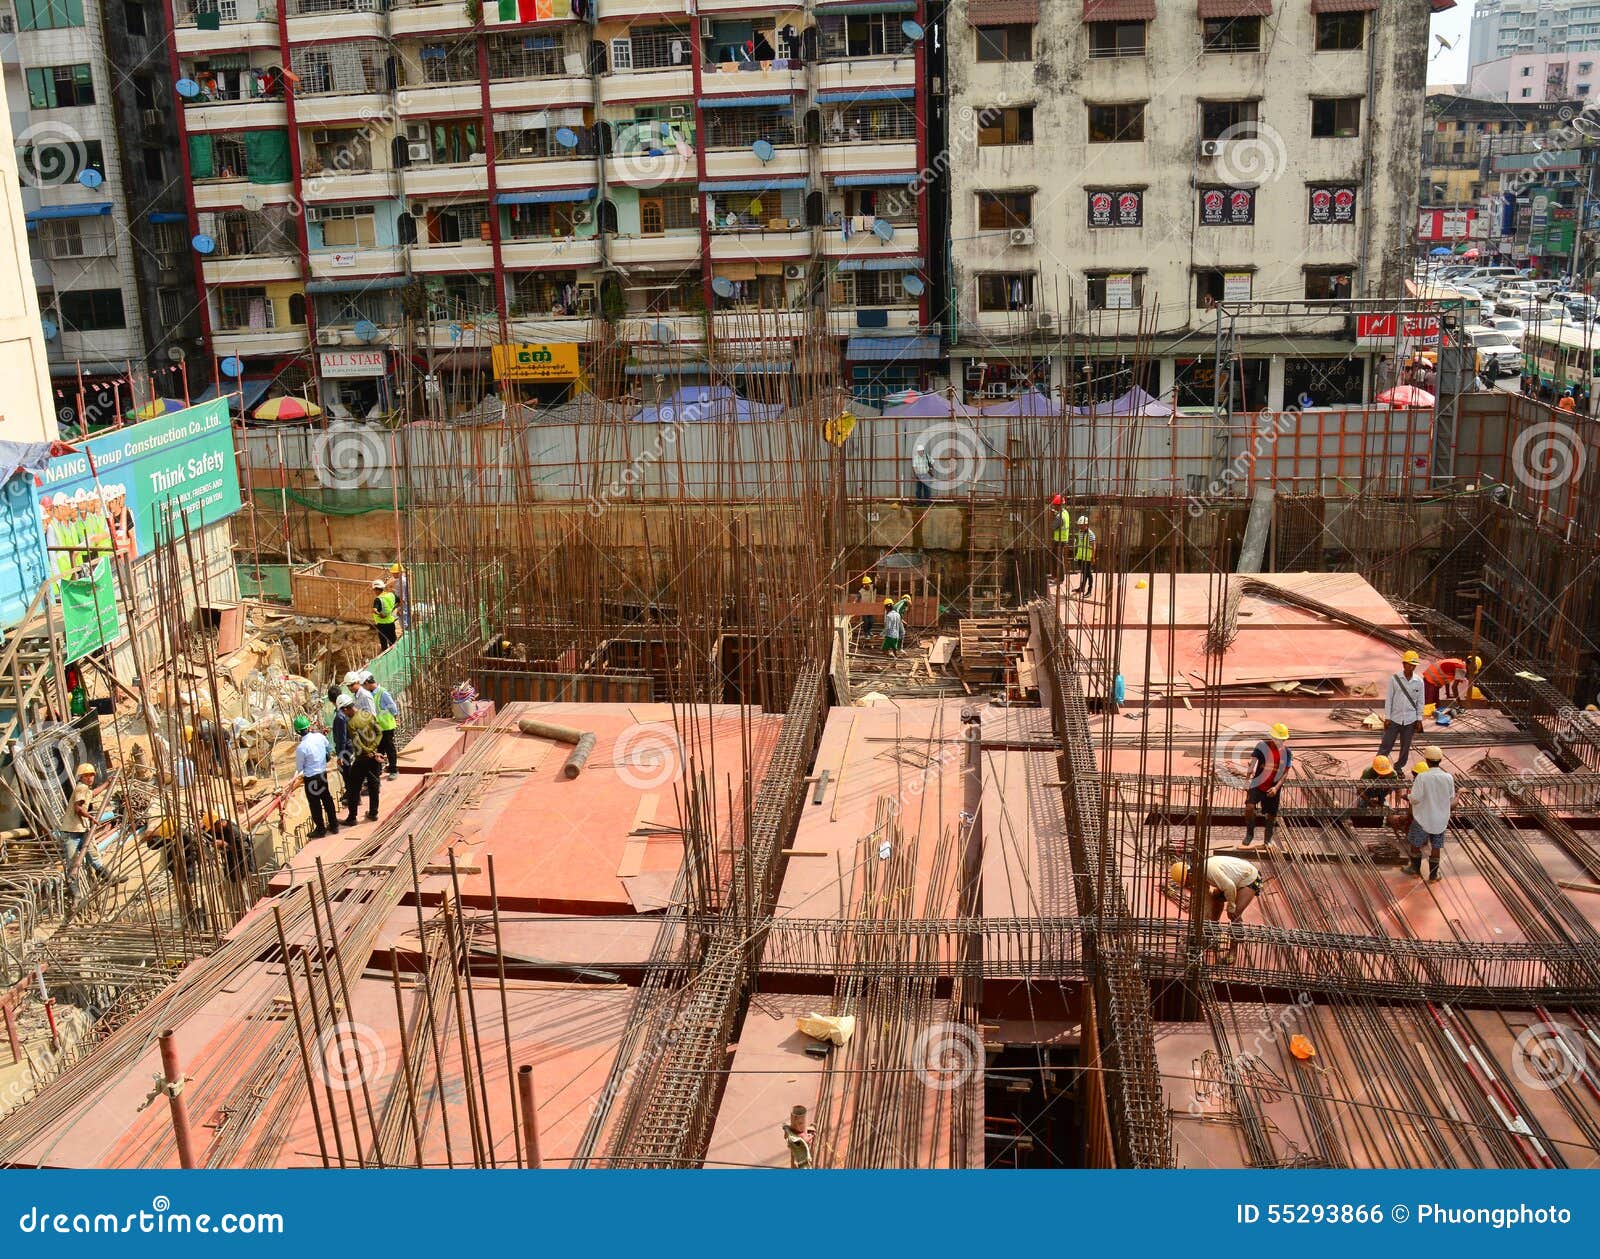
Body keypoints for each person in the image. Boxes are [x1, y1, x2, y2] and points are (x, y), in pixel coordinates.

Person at [1170, 855, 1263, 961]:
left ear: (1189, 876)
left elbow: (1229, 886)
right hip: (1235, 879)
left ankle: (1233, 952)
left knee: (1234, 914)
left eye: (1187, 884)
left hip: (1249, 878)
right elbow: (1206, 902)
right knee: (1216, 899)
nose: (1188, 887)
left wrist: (1231, 906)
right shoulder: (1198, 875)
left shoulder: (1207, 870)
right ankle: (1212, 931)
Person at [60, 762, 120, 894]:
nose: (90, 778)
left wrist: (107, 784)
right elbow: (78, 809)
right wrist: (92, 818)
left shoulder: (85, 789)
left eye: (92, 775)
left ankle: (109, 879)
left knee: (94, 857)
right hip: (72, 832)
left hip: (83, 830)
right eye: (86, 775)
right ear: (81, 777)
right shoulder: (81, 788)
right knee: (73, 865)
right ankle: (75, 893)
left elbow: (92, 794)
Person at [1237, 723, 1292, 847]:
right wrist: (1246, 782)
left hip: (1273, 787)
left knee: (1271, 815)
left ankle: (1267, 839)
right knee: (1249, 808)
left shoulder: (1287, 753)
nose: (1278, 741)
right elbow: (1252, 764)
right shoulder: (1262, 746)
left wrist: (1276, 788)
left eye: (1281, 739)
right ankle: (1249, 834)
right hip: (1257, 784)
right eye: (1276, 739)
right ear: (1272, 737)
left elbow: (1285, 774)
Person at [1407, 745, 1456, 882]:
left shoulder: (1422, 777)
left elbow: (1415, 798)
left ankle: (1415, 870)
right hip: (1440, 819)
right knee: (1436, 846)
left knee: (1415, 843)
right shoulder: (1448, 777)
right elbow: (1450, 797)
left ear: (1427, 760)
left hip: (1423, 818)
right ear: (1440, 760)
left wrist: (1409, 797)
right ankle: (1433, 875)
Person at [1377, 649, 1426, 774]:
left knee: (1405, 747)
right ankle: (1377, 767)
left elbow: (1420, 702)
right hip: (1394, 718)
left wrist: (1419, 719)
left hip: (1410, 720)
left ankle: (1398, 767)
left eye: (1414, 665)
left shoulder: (1419, 682)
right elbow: (1389, 699)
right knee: (1386, 745)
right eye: (1409, 664)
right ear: (1404, 664)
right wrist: (1387, 717)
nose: (1412, 667)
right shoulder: (1395, 679)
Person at [293, 714, 340, 839]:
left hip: (311, 778)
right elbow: (328, 749)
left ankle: (320, 829)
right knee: (327, 799)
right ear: (309, 727)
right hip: (322, 774)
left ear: (297, 731)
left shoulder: (301, 748)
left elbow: (299, 768)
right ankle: (334, 824)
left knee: (315, 804)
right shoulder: (319, 737)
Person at [343, 703, 383, 825]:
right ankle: (373, 813)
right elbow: (379, 733)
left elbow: (358, 745)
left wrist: (368, 751)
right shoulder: (368, 715)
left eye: (344, 712)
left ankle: (352, 817)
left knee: (353, 788)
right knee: (374, 786)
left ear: (346, 709)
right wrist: (374, 749)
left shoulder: (351, 724)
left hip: (362, 759)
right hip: (373, 758)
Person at [364, 673, 401, 779]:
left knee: (390, 749)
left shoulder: (382, 692)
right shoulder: (370, 694)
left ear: (367, 683)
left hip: (387, 726)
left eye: (364, 685)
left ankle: (393, 770)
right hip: (378, 727)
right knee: (379, 750)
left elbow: (392, 706)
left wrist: (396, 717)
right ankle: (378, 771)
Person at [1071, 514, 1096, 598]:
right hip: (1081, 556)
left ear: (1086, 525)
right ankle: (1082, 588)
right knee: (1083, 573)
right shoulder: (1080, 532)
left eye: (1081, 525)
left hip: (1087, 557)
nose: (1080, 526)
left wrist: (1093, 557)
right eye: (1079, 525)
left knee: (1088, 574)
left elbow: (1093, 546)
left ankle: (1089, 590)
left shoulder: (1091, 534)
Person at [372, 578, 398, 650]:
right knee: (393, 641)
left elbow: (374, 610)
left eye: (374, 590)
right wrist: (392, 609)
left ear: (377, 589)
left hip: (381, 624)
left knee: (384, 643)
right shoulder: (391, 595)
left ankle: (385, 656)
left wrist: (381, 615)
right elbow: (401, 601)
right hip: (391, 622)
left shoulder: (378, 599)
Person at [1050, 494, 1070, 583]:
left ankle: (1060, 578)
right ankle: (1055, 576)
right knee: (1055, 558)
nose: (1054, 506)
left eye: (1055, 505)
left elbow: (1053, 527)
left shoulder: (1059, 517)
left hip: (1059, 541)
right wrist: (1056, 513)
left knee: (1058, 559)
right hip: (1062, 539)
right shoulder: (1065, 512)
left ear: (1058, 505)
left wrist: (1053, 517)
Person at [391, 562, 411, 631]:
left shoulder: (402, 581)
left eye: (394, 572)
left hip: (402, 604)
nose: (392, 574)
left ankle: (407, 634)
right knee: (402, 620)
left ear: (399, 572)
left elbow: (402, 597)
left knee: (404, 622)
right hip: (401, 604)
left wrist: (399, 608)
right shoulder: (399, 580)